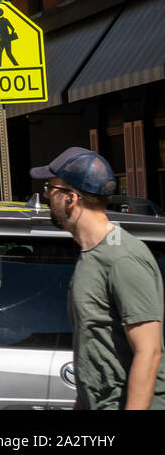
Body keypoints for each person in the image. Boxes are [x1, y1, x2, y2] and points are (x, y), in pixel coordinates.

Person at [34, 147, 165, 409]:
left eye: (51, 188)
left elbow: (148, 351)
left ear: (71, 198)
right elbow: (95, 346)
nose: (46, 195)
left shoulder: (122, 257)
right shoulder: (91, 253)